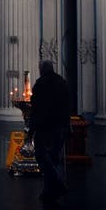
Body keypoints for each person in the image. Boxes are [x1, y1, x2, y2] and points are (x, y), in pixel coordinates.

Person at [26, 59, 71, 201]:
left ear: (42, 69)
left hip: (45, 128)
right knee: (55, 158)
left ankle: (58, 184)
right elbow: (68, 105)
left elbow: (36, 110)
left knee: (41, 157)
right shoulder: (62, 82)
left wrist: (30, 132)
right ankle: (49, 190)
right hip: (61, 127)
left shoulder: (40, 84)